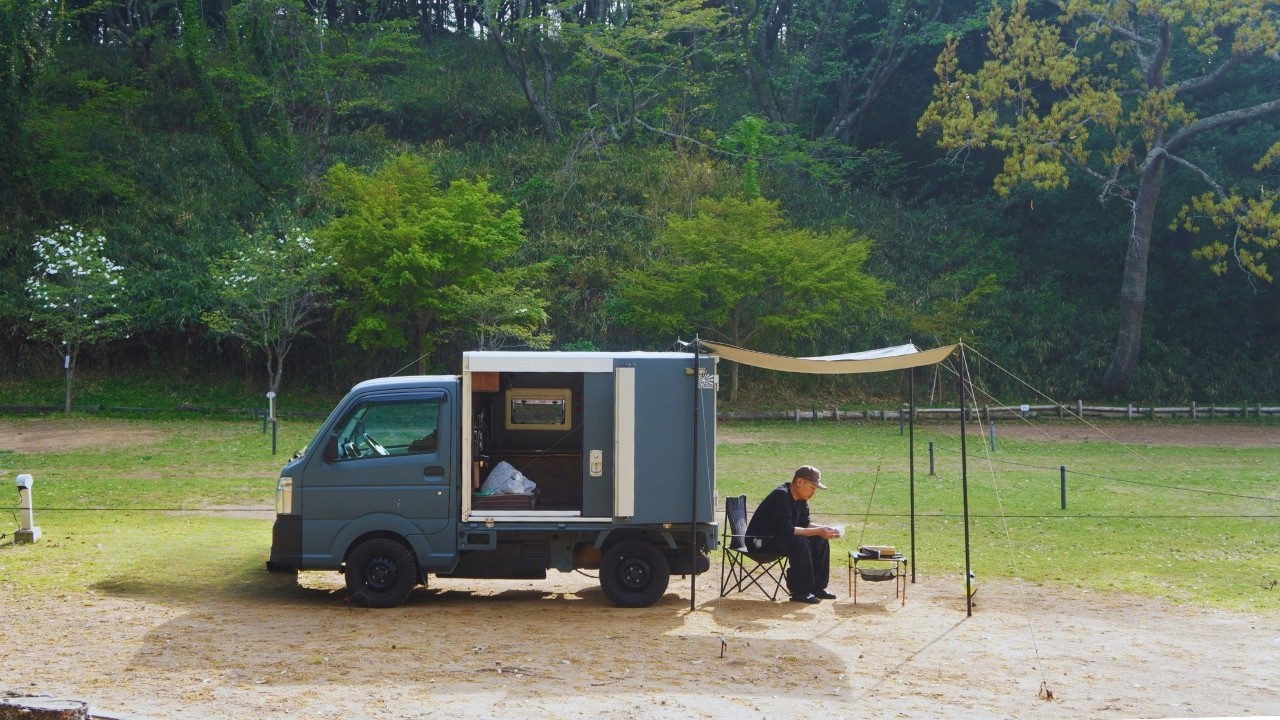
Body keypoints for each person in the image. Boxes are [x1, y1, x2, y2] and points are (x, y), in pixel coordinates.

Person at [745, 465, 841, 603]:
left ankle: (816, 588)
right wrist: (819, 531)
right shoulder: (780, 496)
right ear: (800, 482)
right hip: (759, 542)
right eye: (812, 488)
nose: (813, 493)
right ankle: (800, 591)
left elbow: (804, 523)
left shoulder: (801, 500)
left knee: (819, 539)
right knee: (799, 542)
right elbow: (787, 530)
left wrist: (826, 529)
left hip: (778, 539)